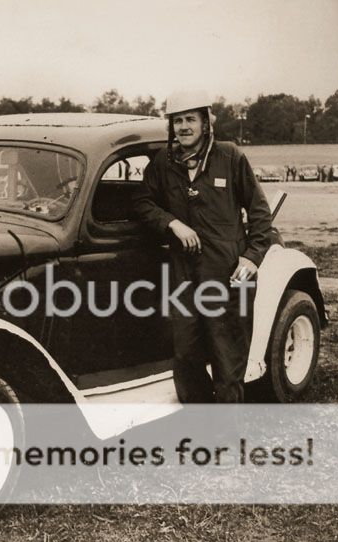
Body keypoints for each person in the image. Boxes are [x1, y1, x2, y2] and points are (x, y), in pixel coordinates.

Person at [133, 90, 272, 403]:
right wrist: (171, 223)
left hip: (227, 274)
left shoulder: (230, 157)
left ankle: (224, 438)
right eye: (177, 120)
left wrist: (252, 258)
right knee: (185, 354)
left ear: (206, 123)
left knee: (228, 358)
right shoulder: (163, 163)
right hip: (185, 274)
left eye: (190, 119)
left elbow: (260, 213)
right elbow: (142, 201)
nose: (183, 126)